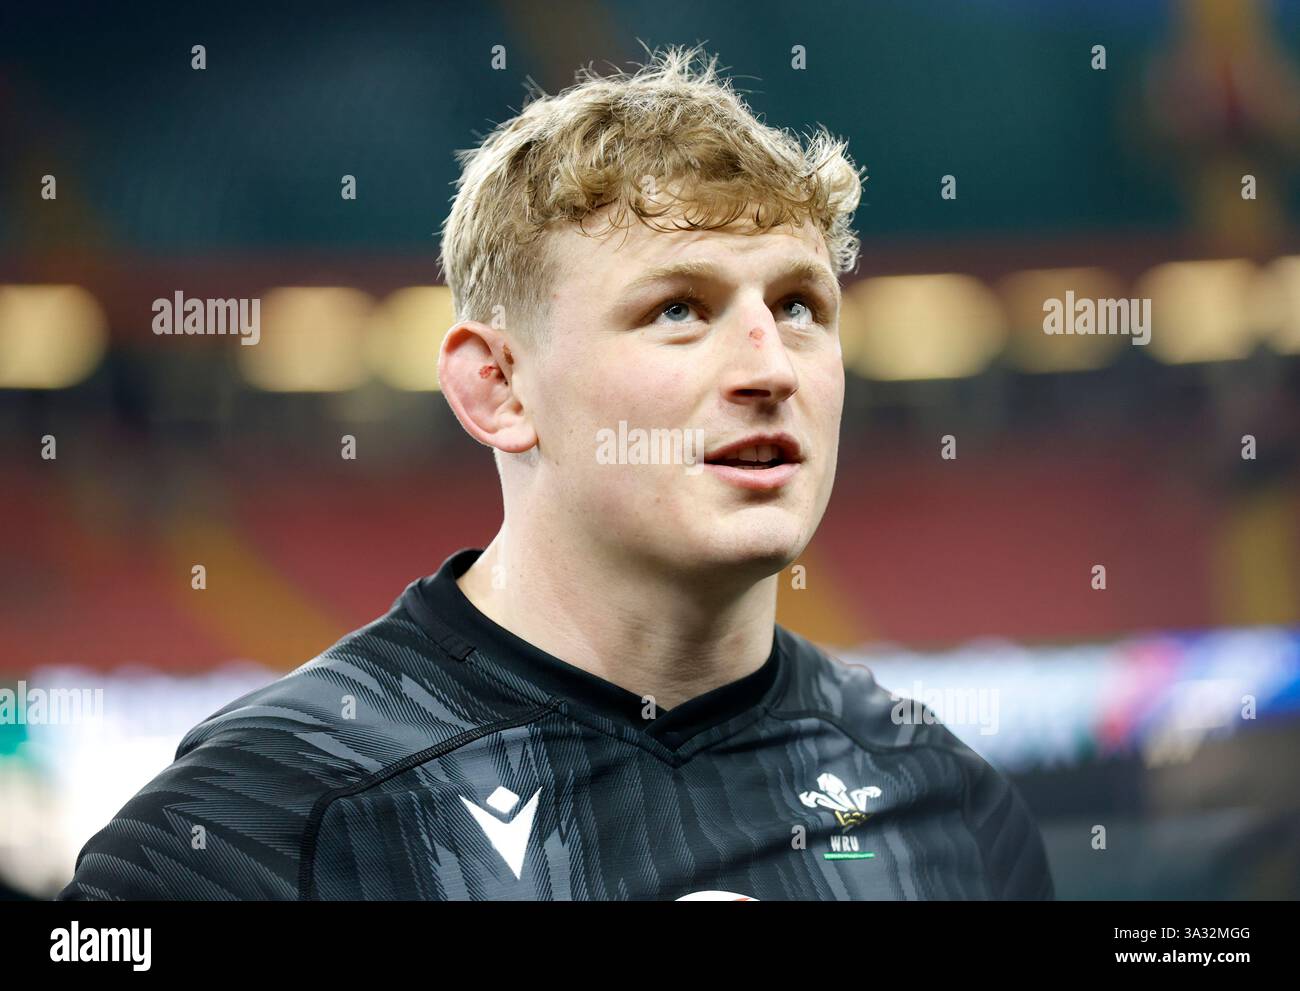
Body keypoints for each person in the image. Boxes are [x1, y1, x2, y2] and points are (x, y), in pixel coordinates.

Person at [58, 45, 1053, 901]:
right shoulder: (267, 817)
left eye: (799, 305)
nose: (768, 368)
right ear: (497, 387)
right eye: (677, 308)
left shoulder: (943, 799)